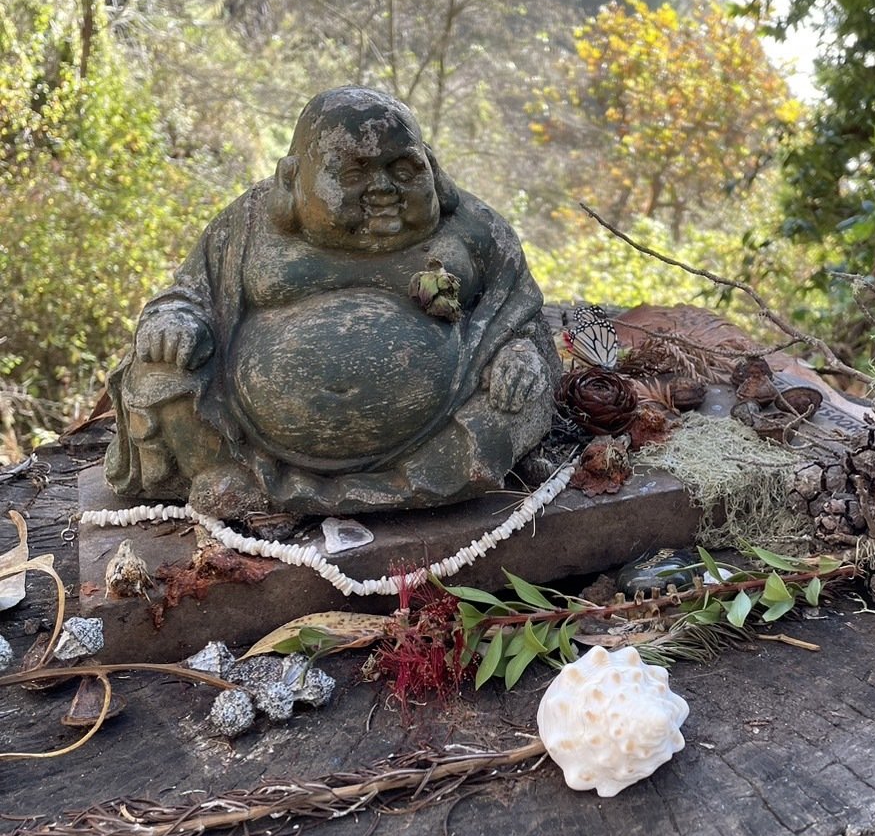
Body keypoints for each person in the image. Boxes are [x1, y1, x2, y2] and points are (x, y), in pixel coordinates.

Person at [106, 87, 559, 516]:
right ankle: (219, 470)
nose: (383, 189)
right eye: (353, 173)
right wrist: (175, 321)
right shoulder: (247, 225)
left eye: (404, 171)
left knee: (522, 390)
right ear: (292, 178)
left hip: (443, 430)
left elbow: (517, 309)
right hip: (247, 431)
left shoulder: (473, 229)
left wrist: (517, 352)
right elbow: (189, 294)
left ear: (433, 170)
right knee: (158, 369)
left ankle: (463, 471)